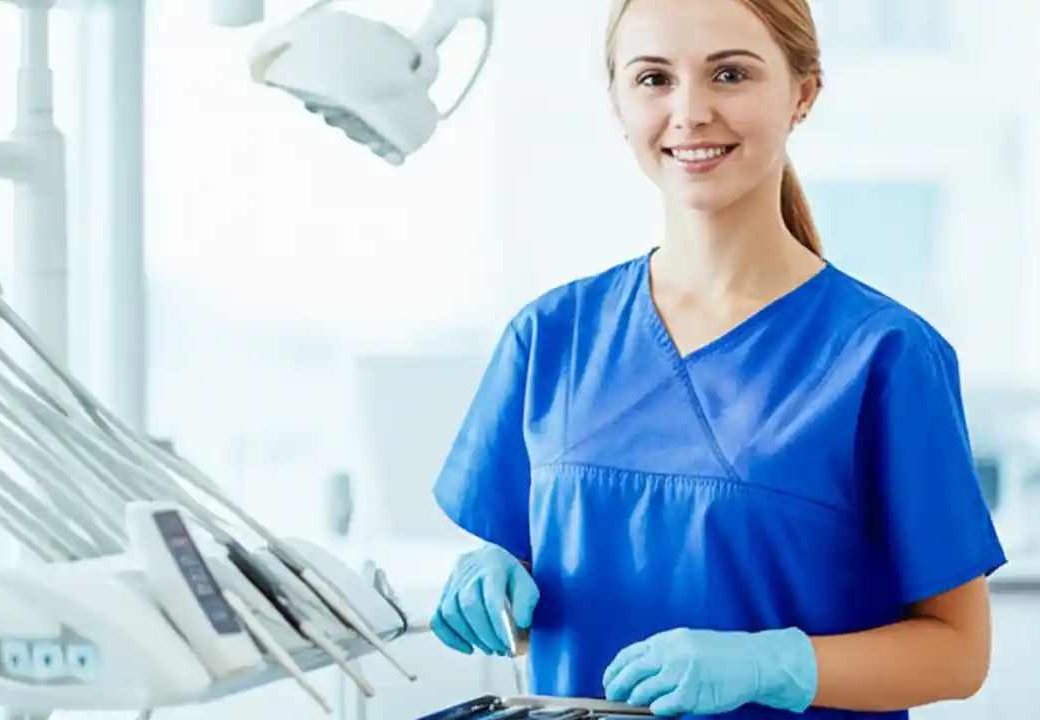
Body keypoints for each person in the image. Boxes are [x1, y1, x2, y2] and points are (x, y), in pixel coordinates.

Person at [428, 0, 1007, 717]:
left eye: (730, 74)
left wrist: (773, 663)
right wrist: (491, 587)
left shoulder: (883, 356)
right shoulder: (551, 336)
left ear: (803, 93)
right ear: (617, 102)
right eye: (653, 79)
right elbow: (530, 601)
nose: (690, 111)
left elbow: (957, 652)